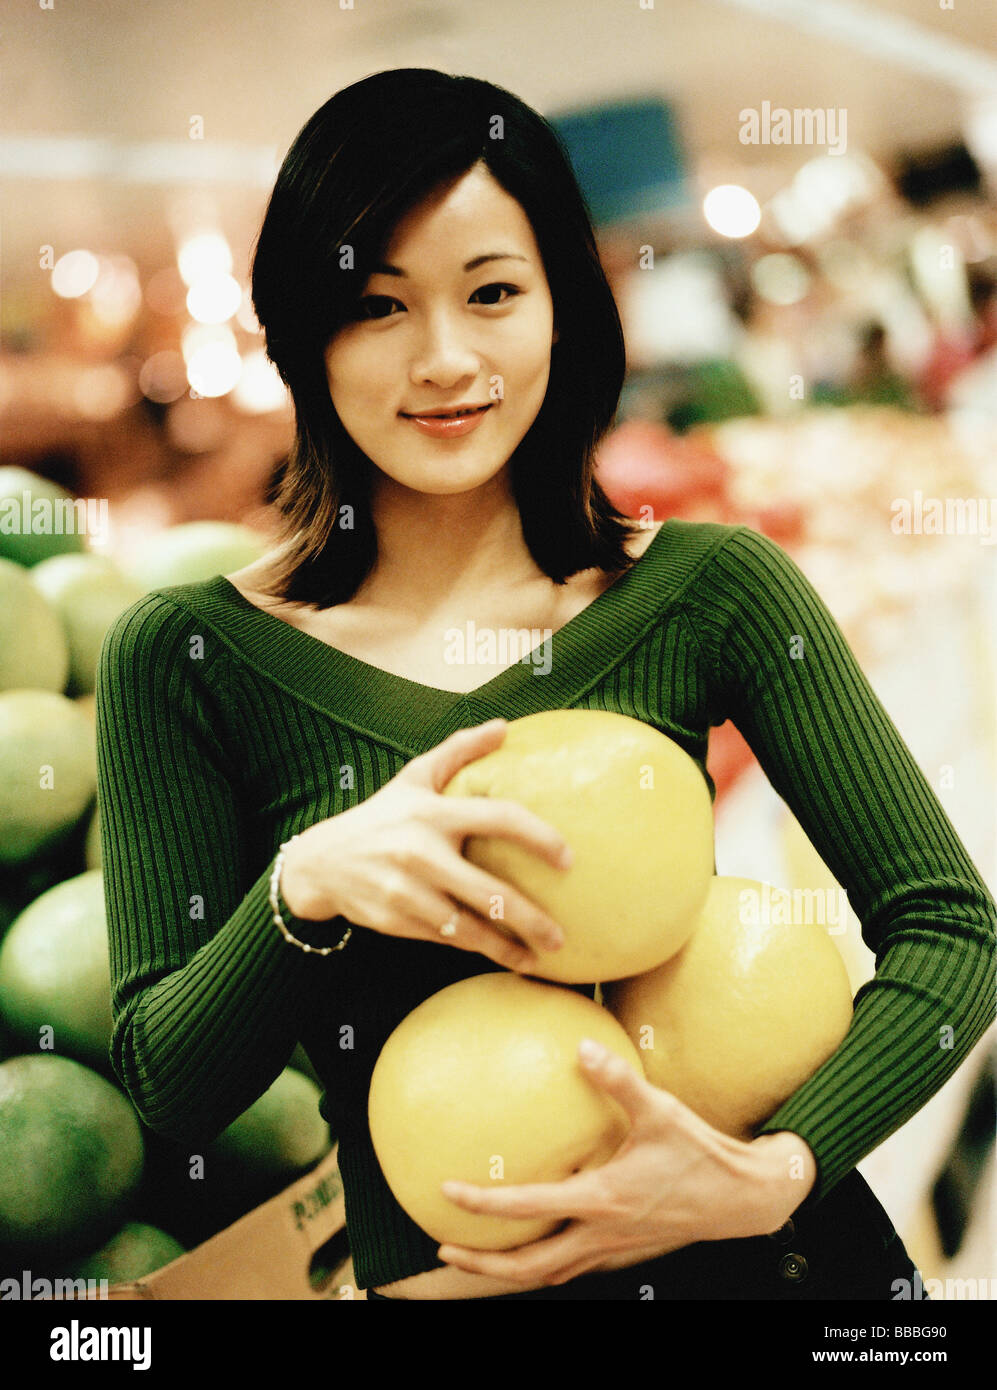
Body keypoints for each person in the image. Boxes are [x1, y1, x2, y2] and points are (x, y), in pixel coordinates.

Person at [95, 69, 996, 1301]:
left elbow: (951, 928)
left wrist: (782, 1166)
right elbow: (171, 1086)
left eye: (493, 292)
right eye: (376, 305)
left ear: (564, 305)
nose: (446, 358)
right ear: (302, 327)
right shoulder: (187, 658)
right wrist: (303, 888)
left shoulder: (710, 585)